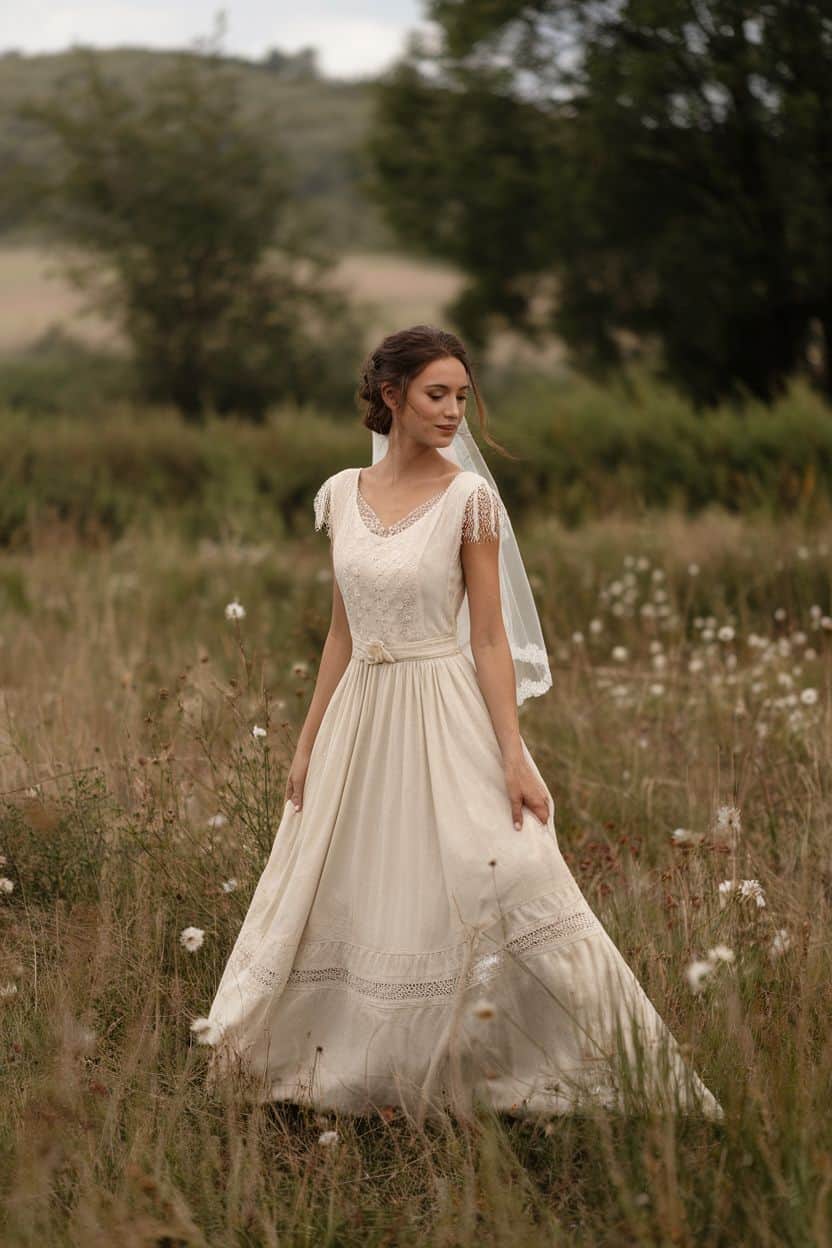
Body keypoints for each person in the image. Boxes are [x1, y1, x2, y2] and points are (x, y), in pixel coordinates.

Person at [197, 324, 722, 1126]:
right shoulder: (342, 493)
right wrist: (306, 745)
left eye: (462, 397)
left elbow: (487, 637)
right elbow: (340, 631)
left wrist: (513, 754)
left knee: (508, 871)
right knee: (354, 886)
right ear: (390, 395)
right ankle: (358, 1070)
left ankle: (590, 1062)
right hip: (359, 721)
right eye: (437, 395)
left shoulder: (470, 499)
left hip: (445, 711)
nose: (453, 412)